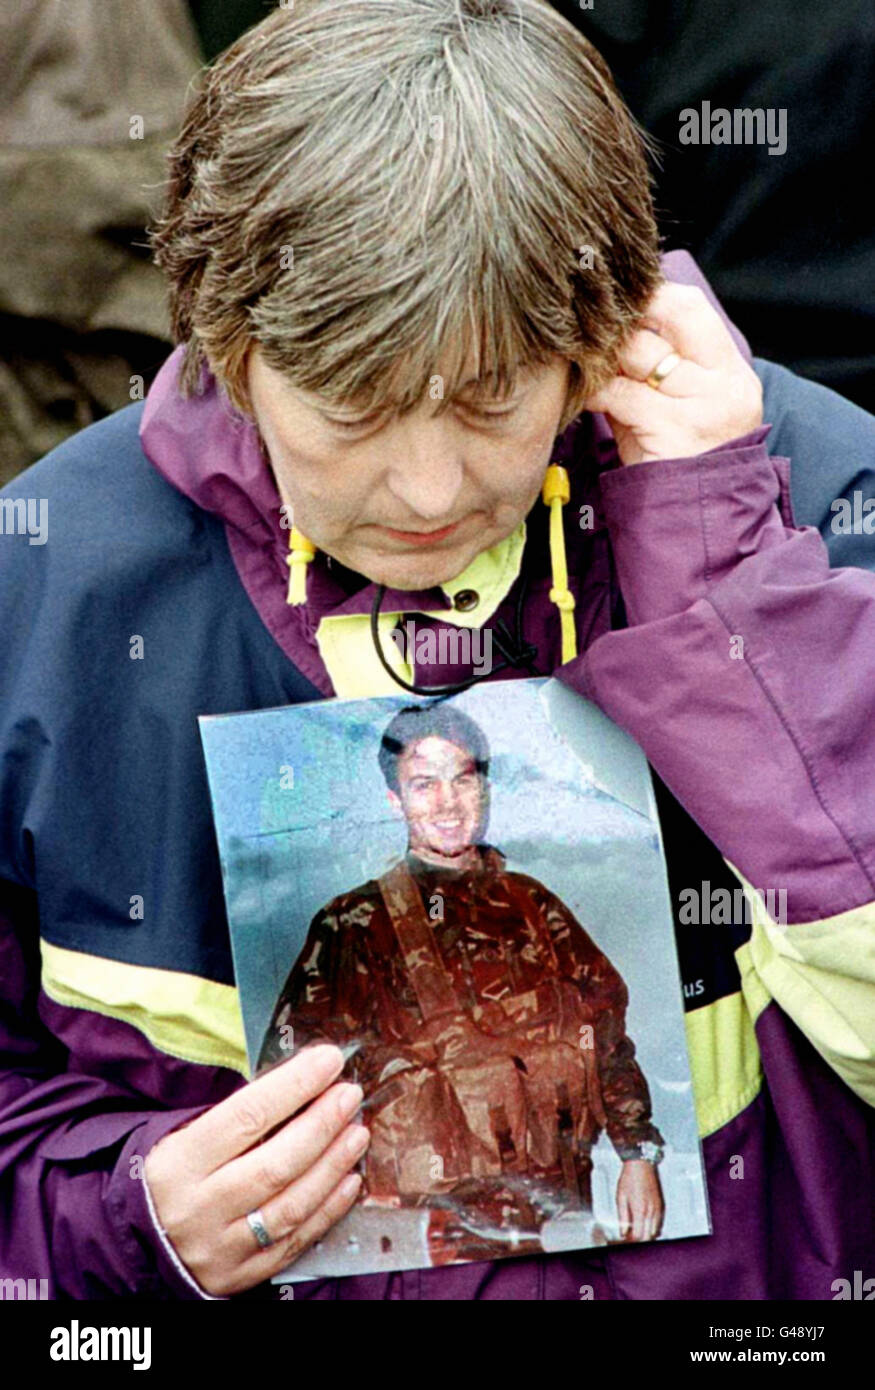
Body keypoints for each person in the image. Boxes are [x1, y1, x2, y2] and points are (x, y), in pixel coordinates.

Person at [0, 0, 873, 1301]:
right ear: (227, 351)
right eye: (351, 409)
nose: (424, 486)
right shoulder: (45, 573)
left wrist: (736, 606)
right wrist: (126, 1221)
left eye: (489, 397)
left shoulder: (821, 497)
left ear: (600, 333)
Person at [257, 704, 665, 1264]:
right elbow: (285, 1087)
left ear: (483, 789)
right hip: (426, 1245)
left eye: (462, 780)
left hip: (561, 1224)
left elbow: (607, 1034)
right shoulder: (353, 924)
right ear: (395, 801)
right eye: (424, 785)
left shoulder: (533, 906)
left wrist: (638, 1156)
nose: (447, 803)